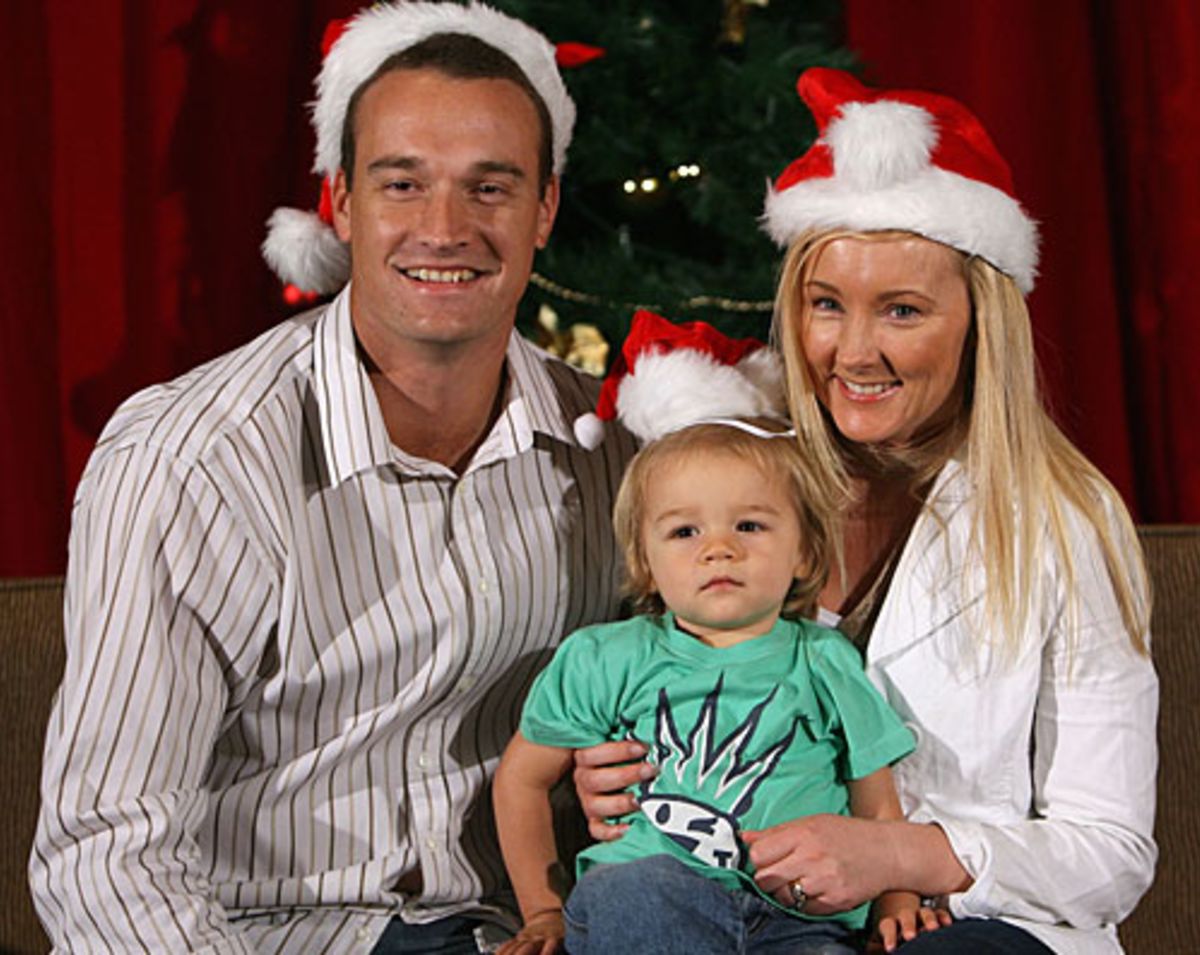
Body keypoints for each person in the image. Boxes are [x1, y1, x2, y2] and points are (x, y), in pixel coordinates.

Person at [29, 3, 635, 953]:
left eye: (492, 188)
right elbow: (108, 849)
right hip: (270, 930)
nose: (446, 228)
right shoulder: (196, 459)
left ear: (545, 210)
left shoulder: (613, 447)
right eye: (404, 183)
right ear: (341, 202)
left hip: (532, 929)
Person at [574, 68, 1158, 954]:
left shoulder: (1063, 522)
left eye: (902, 310)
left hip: (971, 923)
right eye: (826, 305)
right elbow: (656, 684)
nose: (854, 352)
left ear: (979, 321)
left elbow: (1111, 852)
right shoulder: (728, 476)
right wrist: (617, 778)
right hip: (743, 905)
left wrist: (900, 851)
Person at [494, 311, 932, 955]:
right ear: (644, 561)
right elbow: (522, 779)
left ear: (806, 553)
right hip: (654, 900)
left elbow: (877, 806)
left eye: (749, 527)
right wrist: (541, 912)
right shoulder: (602, 659)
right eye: (684, 532)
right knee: (630, 894)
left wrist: (896, 899)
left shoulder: (825, 663)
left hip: (797, 916)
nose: (718, 550)